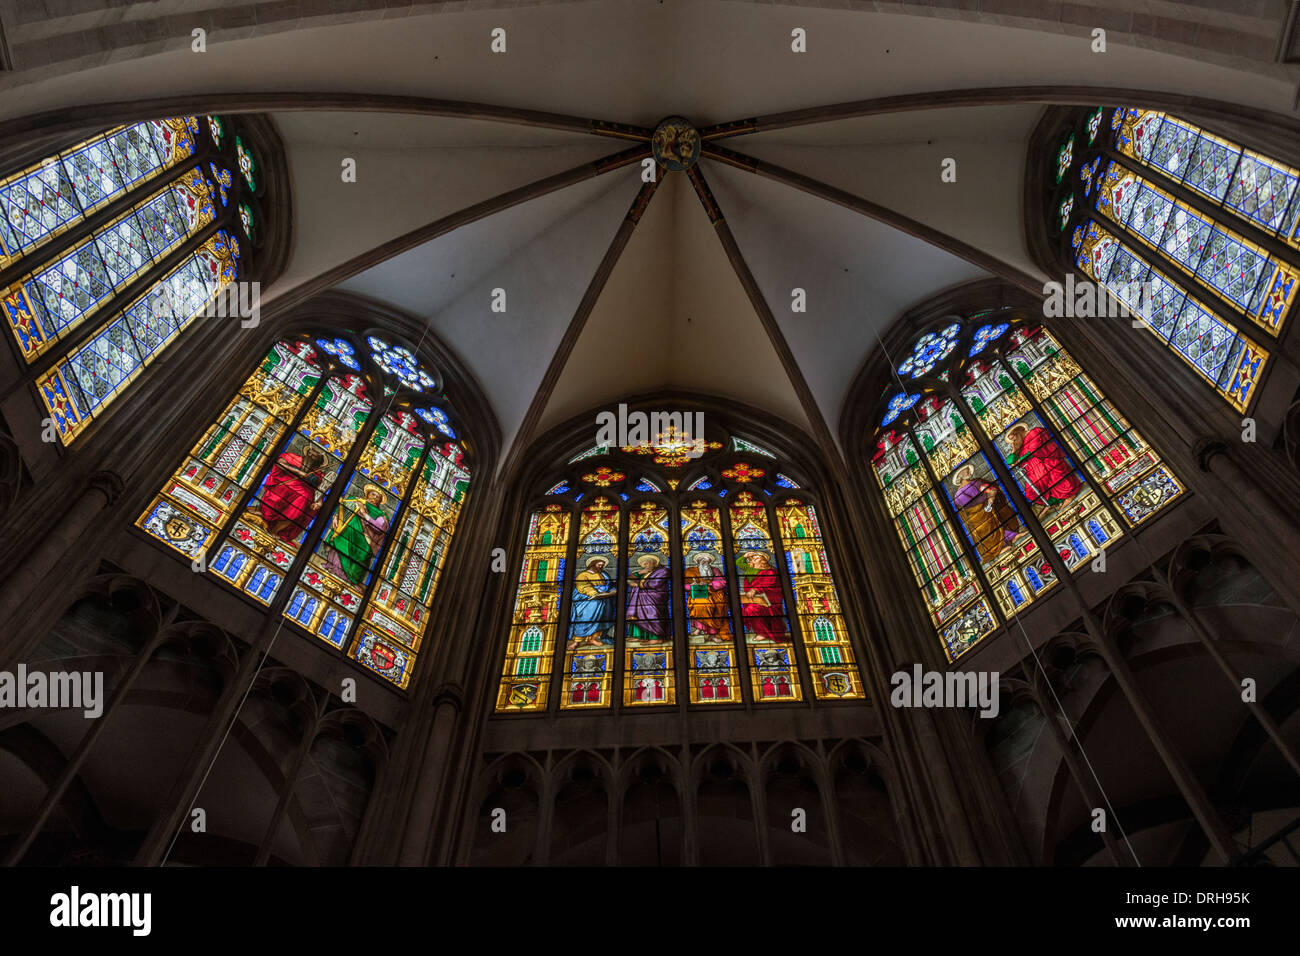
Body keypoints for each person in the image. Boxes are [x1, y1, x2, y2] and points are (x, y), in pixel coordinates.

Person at [251, 445, 327, 542]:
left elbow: (321, 489)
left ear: (319, 460)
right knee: (284, 488)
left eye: (313, 456)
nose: (310, 455)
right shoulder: (293, 457)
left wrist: (319, 501)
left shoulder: (318, 473)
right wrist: (298, 472)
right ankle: (264, 513)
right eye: (310, 453)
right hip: (286, 481)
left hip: (304, 492)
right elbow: (280, 463)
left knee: (303, 500)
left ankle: (276, 529)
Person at [951, 462, 1021, 561]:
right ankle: (996, 549)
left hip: (989, 509)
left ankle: (1011, 536)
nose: (967, 471)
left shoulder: (975, 482)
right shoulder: (959, 494)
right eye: (964, 470)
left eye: (967, 468)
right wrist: (984, 502)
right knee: (986, 527)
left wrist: (991, 497)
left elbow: (990, 489)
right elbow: (969, 508)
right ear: (959, 475)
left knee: (1001, 512)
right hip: (978, 518)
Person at [323, 483, 388, 585]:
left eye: (377, 497)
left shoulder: (380, 515)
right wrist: (335, 516)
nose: (374, 498)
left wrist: (364, 513)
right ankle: (333, 567)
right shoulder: (355, 500)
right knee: (342, 537)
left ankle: (348, 576)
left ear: (380, 501)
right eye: (373, 494)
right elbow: (342, 508)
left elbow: (379, 528)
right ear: (367, 494)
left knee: (363, 553)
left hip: (364, 538)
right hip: (345, 530)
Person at [1006, 422, 1082, 507]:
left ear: (1018, 432)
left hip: (1047, 460)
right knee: (1030, 492)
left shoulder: (1035, 432)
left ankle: (1069, 495)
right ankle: (1057, 502)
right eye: (1012, 440)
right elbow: (1010, 461)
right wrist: (1014, 448)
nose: (1013, 441)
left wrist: (1020, 459)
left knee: (1051, 475)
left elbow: (1035, 449)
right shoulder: (1021, 445)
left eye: (1014, 438)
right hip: (1035, 470)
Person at [567, 555, 616, 651]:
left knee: (600, 619)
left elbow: (608, 585)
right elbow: (583, 587)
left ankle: (592, 639)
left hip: (603, 600)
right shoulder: (583, 575)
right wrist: (595, 594)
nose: (600, 567)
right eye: (599, 565)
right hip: (587, 600)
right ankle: (576, 641)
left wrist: (612, 591)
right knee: (585, 619)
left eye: (602, 565)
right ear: (592, 564)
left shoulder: (604, 574)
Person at [738, 550, 788, 642]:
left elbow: (769, 583)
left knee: (752, 609)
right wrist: (745, 556)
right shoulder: (751, 570)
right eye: (753, 559)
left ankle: (763, 633)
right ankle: (761, 631)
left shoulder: (770, 572)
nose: (753, 560)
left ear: (763, 561)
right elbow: (740, 564)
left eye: (756, 558)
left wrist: (755, 590)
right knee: (749, 609)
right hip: (754, 598)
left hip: (770, 601)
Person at [685, 551, 731, 642]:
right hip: (698, 594)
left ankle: (713, 634)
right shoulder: (691, 571)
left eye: (707, 561)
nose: (705, 563)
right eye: (703, 561)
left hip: (715, 594)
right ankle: (698, 629)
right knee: (700, 604)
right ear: (698, 562)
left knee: (718, 605)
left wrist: (709, 584)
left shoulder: (715, 570)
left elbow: (722, 582)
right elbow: (684, 585)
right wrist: (693, 585)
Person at [625, 553, 671, 644]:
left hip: (655, 598)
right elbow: (629, 578)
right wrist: (640, 573)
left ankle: (657, 637)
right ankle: (639, 636)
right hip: (641, 597)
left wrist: (638, 584)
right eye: (643, 564)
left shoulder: (663, 571)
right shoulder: (647, 572)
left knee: (652, 615)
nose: (644, 566)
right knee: (638, 615)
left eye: (646, 563)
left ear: (653, 562)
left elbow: (655, 583)